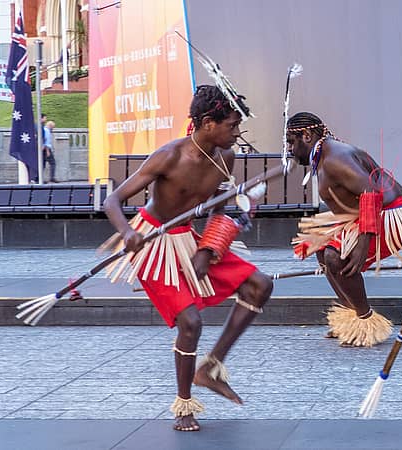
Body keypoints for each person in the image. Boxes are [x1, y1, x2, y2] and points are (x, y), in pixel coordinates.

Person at [100, 85, 274, 431]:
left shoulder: (225, 157)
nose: (237, 134)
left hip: (191, 238)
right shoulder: (169, 156)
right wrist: (129, 232)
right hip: (152, 243)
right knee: (190, 323)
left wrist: (209, 251)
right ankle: (183, 406)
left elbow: (220, 210)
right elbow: (112, 201)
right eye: (231, 126)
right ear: (208, 123)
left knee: (259, 285)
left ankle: (210, 368)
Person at [286, 112, 402, 348]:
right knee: (321, 247)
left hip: (391, 214)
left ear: (307, 136)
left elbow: (371, 193)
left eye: (291, 141)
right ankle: (350, 317)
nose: (289, 149)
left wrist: (363, 240)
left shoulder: (334, 158)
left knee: (336, 257)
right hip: (366, 214)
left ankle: (365, 321)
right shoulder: (326, 153)